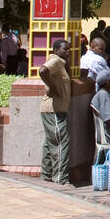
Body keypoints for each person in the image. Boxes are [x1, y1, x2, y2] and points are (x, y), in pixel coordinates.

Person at [37, 39, 73, 185]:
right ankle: (61, 178)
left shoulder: (62, 63)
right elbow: (43, 71)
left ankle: (46, 175)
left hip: (57, 110)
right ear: (56, 50)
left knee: (50, 142)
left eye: (69, 49)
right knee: (61, 142)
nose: (68, 52)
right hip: (53, 110)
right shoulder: (56, 60)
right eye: (65, 49)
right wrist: (52, 87)